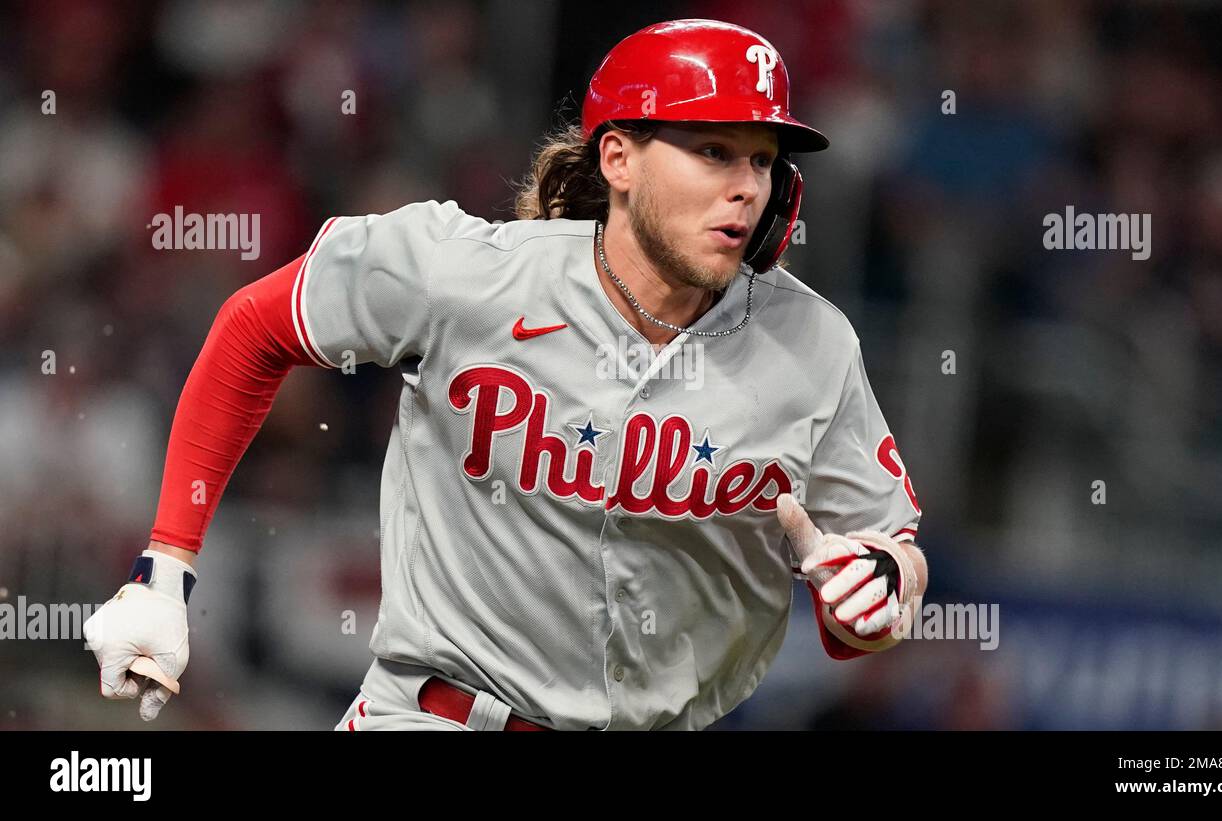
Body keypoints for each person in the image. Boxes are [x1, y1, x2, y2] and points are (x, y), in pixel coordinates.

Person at [84, 18, 927, 731]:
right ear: (619, 159)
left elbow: (886, 557)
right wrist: (165, 565)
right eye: (713, 150)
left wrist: (882, 591)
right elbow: (254, 327)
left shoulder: (812, 344)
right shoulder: (469, 274)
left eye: (761, 158)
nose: (746, 186)